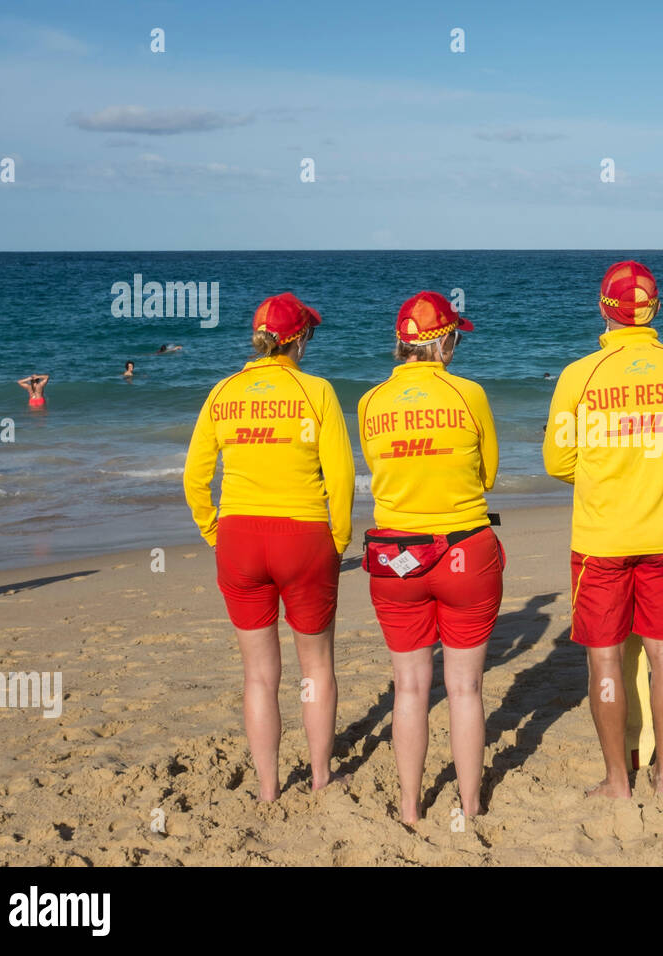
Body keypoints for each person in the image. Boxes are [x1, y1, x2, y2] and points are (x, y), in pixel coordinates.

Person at [543, 260, 663, 798]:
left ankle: (619, 780)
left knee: (606, 659)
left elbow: (558, 461)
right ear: (655, 310)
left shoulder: (579, 374)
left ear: (602, 308)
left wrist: (605, 466)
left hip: (601, 540)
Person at [183, 292, 354, 802]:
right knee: (316, 667)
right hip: (303, 537)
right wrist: (338, 541)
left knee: (258, 673)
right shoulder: (316, 391)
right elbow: (341, 476)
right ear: (299, 339)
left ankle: (267, 788)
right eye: (310, 336)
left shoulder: (222, 392)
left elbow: (194, 477)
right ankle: (321, 777)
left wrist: (213, 531)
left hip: (239, 538)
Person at [358, 291, 502, 824]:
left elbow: (380, 467)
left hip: (397, 559)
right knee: (465, 687)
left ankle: (410, 807)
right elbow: (487, 476)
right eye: (455, 337)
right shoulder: (470, 394)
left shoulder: (370, 402)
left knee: (410, 687)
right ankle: (469, 804)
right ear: (442, 342)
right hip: (465, 549)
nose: (457, 344)